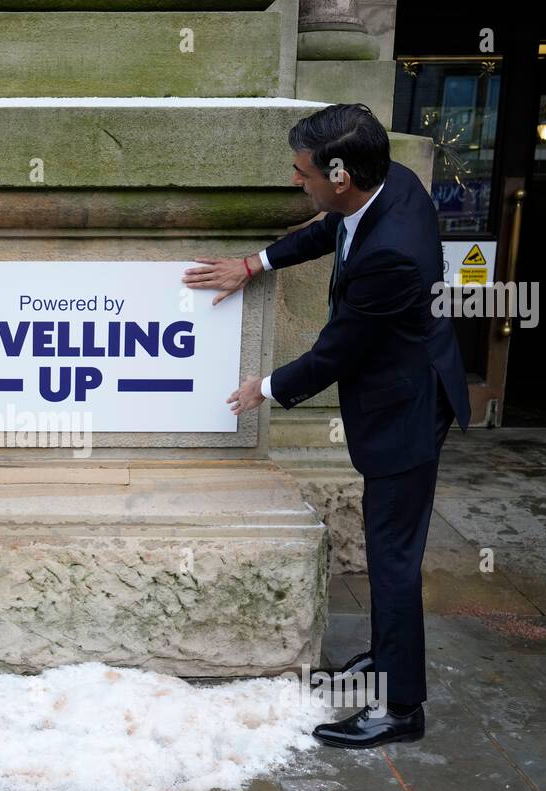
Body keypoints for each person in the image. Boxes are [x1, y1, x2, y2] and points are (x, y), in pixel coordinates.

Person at [184, 103, 471, 748]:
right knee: (387, 550)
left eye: (303, 172)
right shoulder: (387, 182)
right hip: (404, 383)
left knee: (392, 560)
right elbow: (329, 232)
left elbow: (337, 351)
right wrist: (255, 262)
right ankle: (388, 661)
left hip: (405, 408)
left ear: (340, 176)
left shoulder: (393, 253)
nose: (296, 181)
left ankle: (400, 708)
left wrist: (264, 387)